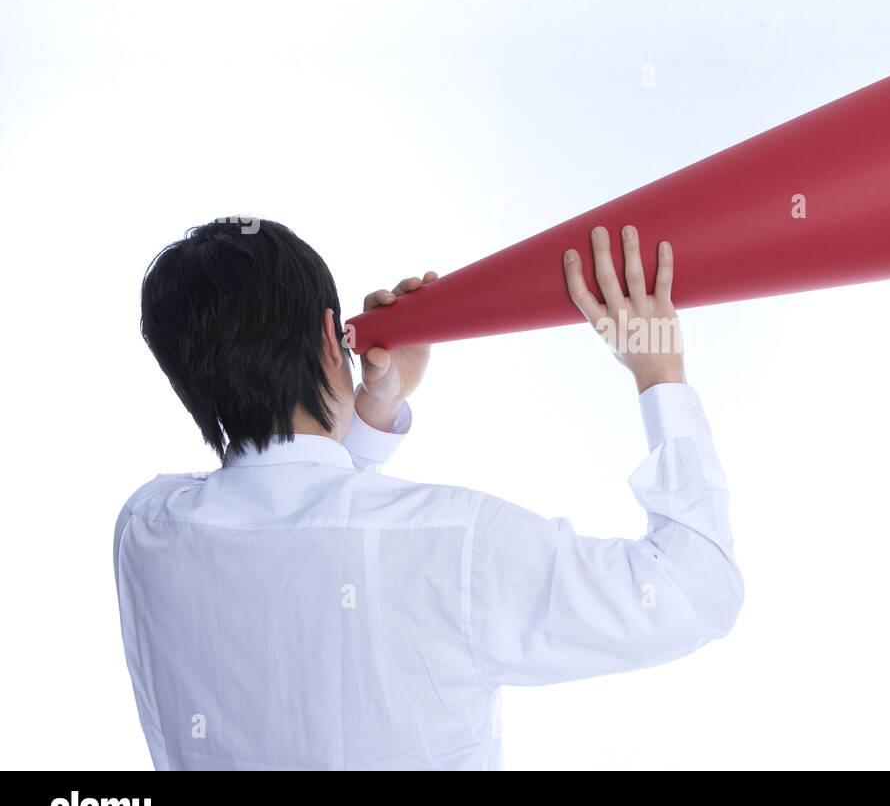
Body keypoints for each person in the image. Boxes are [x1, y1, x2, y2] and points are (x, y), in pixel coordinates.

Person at [115, 217, 743, 770]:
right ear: (333, 339)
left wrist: (372, 410)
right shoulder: (456, 545)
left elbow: (299, 541)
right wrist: (660, 372)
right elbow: (696, 590)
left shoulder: (146, 528)